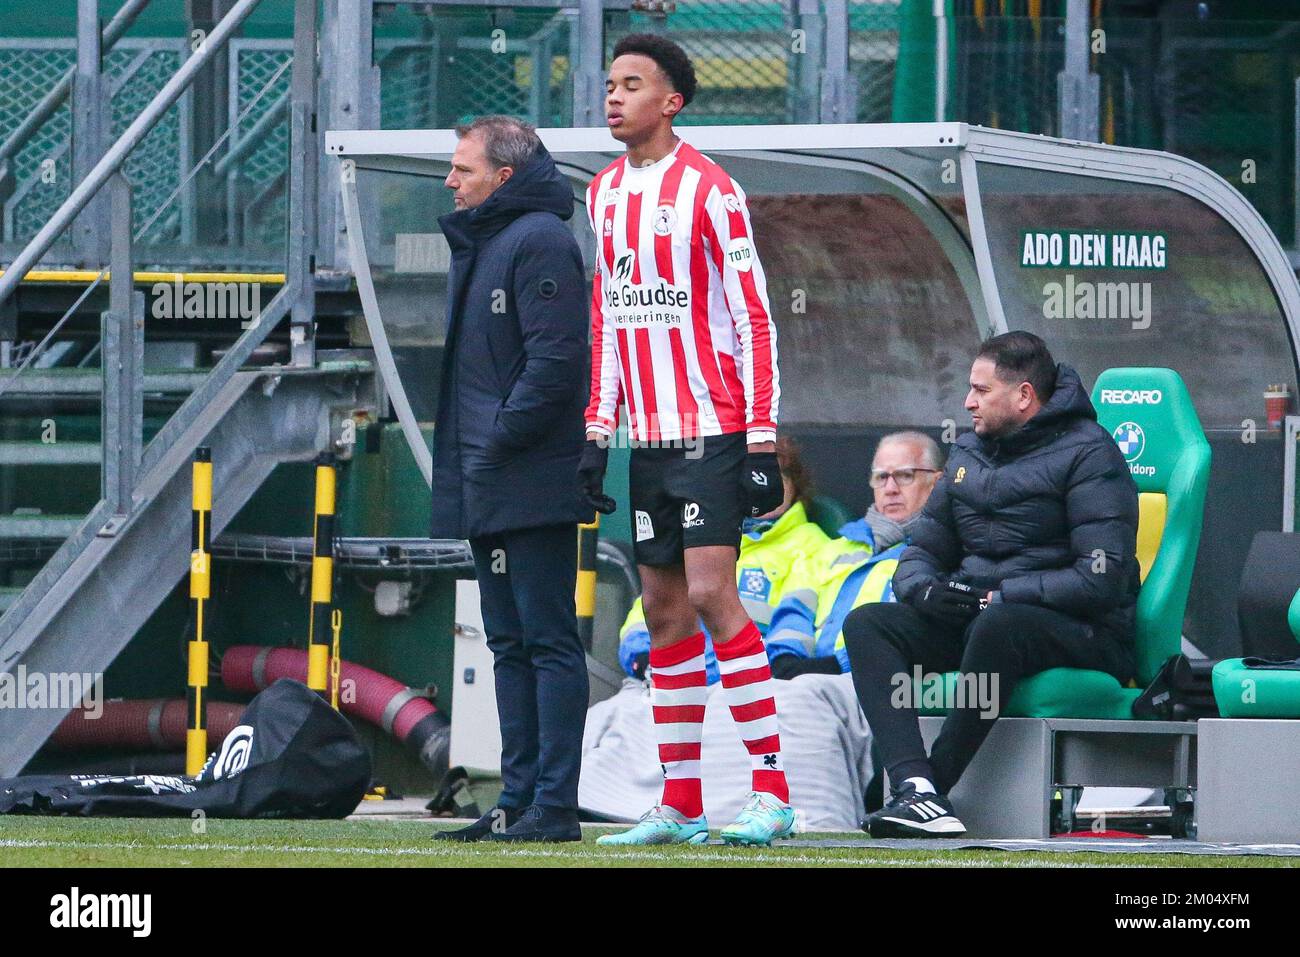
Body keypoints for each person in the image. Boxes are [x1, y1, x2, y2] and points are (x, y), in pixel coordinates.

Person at [578, 34, 795, 847]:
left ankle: (773, 792)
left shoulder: (711, 189)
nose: (613, 96)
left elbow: (755, 317)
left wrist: (762, 442)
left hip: (713, 426)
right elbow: (608, 321)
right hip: (647, 441)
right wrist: (599, 435)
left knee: (710, 593)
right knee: (663, 610)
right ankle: (682, 803)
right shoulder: (601, 194)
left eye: (631, 84)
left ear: (671, 102)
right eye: (609, 83)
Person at [841, 332, 1140, 838]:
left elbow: (1101, 577)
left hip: (1081, 632)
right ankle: (916, 786)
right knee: (869, 624)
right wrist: (926, 590)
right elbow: (922, 552)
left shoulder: (1091, 454)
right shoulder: (968, 453)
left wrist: (996, 597)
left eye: (981, 390)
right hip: (984, 618)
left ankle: (934, 786)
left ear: (1023, 395)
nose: (968, 401)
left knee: (1000, 623)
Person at [428, 116, 590, 843]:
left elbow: (556, 364)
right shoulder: (492, 239)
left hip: (527, 478)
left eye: (463, 169)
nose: (450, 181)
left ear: (503, 176)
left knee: (546, 640)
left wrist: (496, 442)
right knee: (507, 641)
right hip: (492, 477)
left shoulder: (541, 240)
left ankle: (553, 806)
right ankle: (515, 800)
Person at [618, 437, 829, 684]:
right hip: (663, 676)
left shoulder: (813, 545)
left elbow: (793, 629)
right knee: (604, 718)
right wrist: (642, 658)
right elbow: (648, 612)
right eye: (748, 472)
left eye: (774, 473)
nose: (761, 481)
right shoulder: (699, 536)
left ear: (795, 485)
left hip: (749, 679)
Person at [767, 432, 942, 679]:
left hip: (876, 683)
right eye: (881, 477)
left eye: (905, 475)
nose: (890, 489)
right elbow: (793, 613)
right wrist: (786, 661)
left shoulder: (943, 553)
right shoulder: (833, 549)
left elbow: (917, 636)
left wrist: (838, 665)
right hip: (800, 682)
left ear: (936, 482)